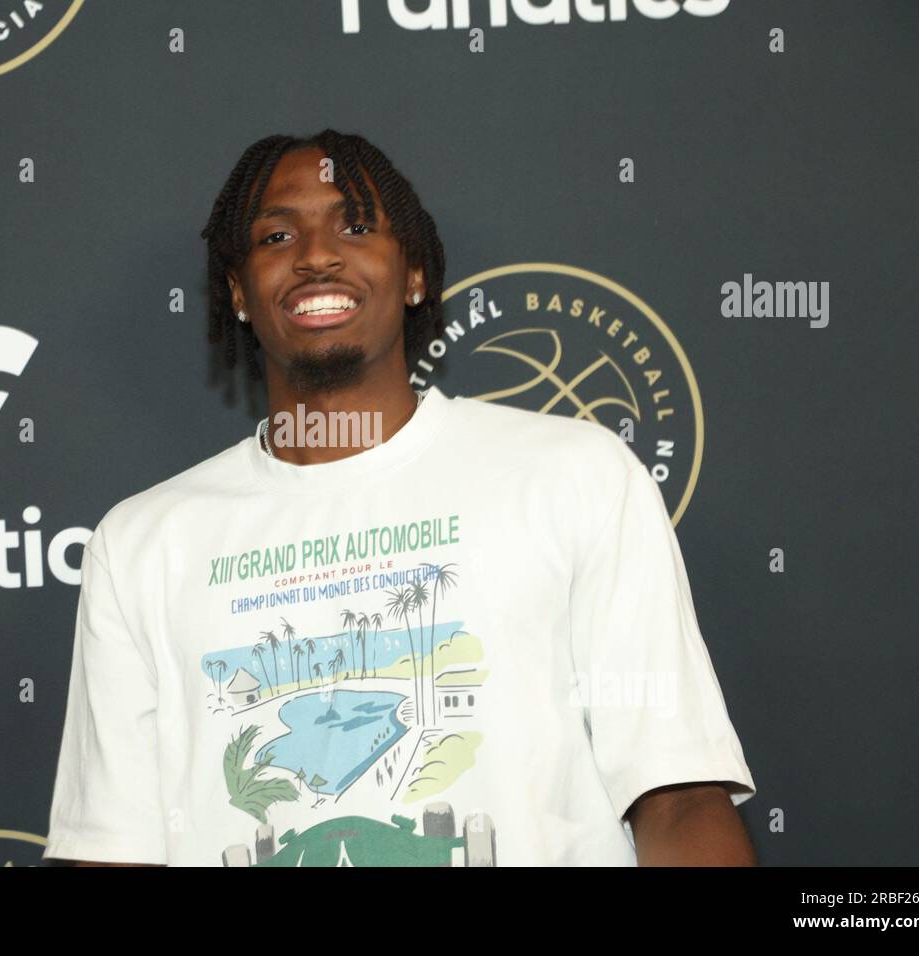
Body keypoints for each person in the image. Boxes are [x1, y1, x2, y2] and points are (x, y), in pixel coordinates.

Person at [41, 129, 757, 867]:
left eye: (355, 225)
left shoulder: (574, 475)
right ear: (238, 293)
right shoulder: (142, 544)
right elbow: (108, 847)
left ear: (415, 273)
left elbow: (677, 800)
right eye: (277, 235)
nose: (316, 254)